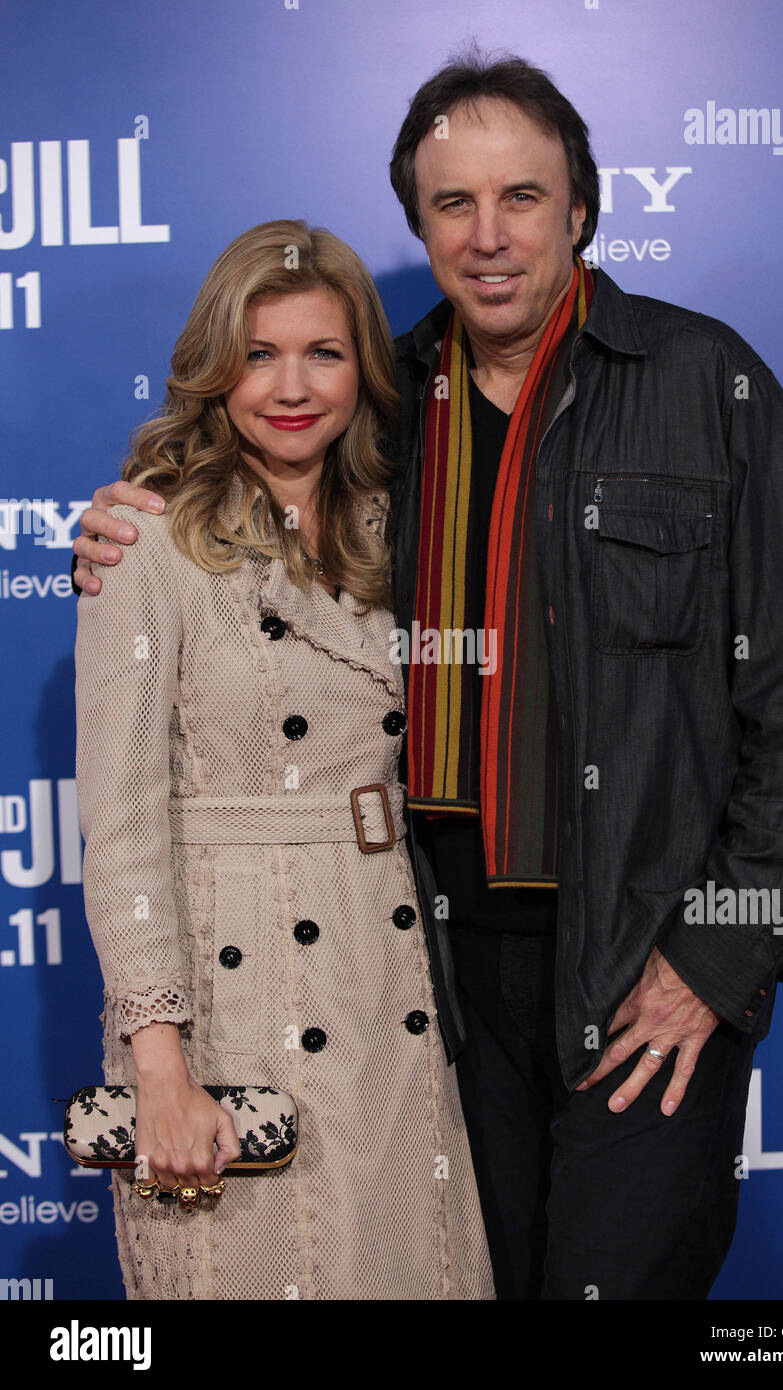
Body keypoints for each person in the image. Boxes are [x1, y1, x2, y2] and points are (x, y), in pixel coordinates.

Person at [73, 54, 783, 1301]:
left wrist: (713, 964)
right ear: (419, 223)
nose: (488, 239)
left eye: (522, 199)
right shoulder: (383, 402)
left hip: (642, 963)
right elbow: (258, 506)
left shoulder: (711, 385)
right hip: (433, 986)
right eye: (453, 205)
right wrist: (133, 521)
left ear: (582, 210)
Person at [73, 218, 494, 1301]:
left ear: (365, 366)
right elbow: (121, 825)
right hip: (232, 983)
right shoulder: (147, 545)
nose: (291, 386)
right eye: (259, 354)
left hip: (386, 961)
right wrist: (159, 1064)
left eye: (324, 352)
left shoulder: (407, 530)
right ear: (216, 370)